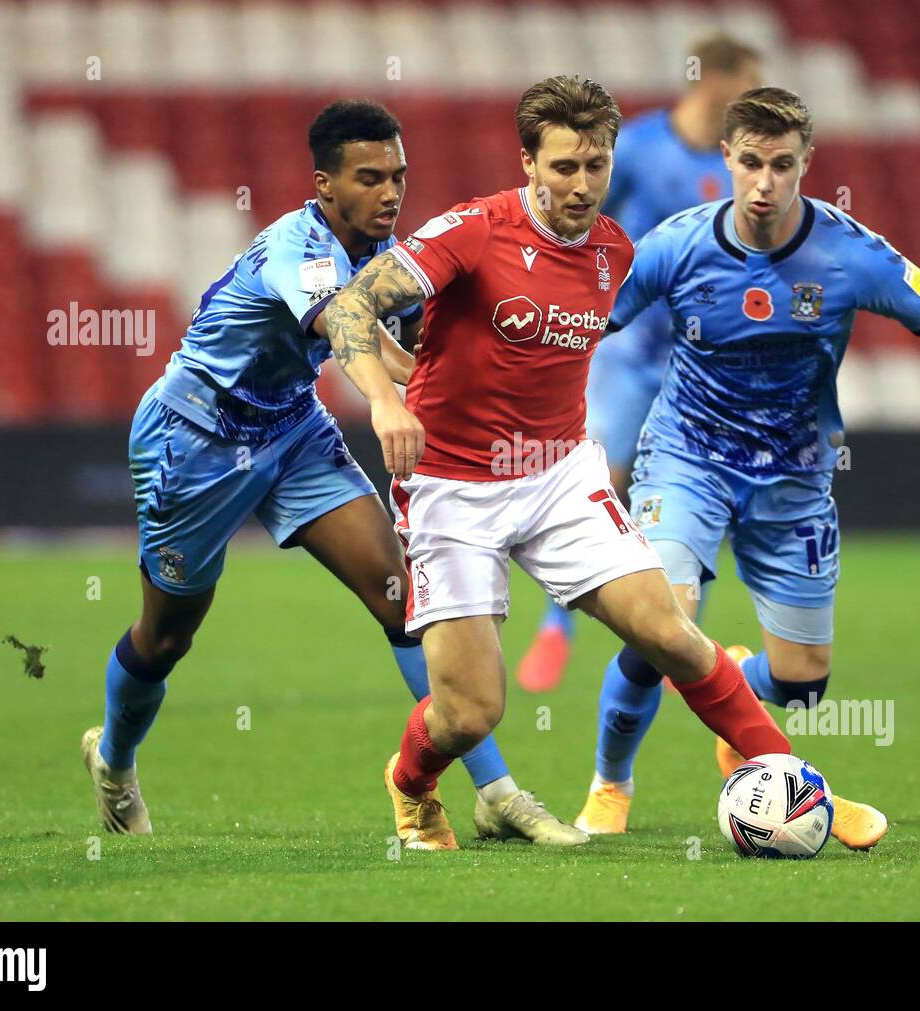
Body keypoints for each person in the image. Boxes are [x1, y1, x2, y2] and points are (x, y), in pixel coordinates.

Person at [572, 87, 920, 845]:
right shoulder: (673, 245)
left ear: (806, 164)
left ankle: (737, 707)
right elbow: (577, 329)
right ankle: (610, 784)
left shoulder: (849, 253)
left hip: (795, 475)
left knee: (804, 679)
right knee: (665, 624)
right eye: (749, 162)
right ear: (726, 158)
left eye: (782, 165)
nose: (763, 182)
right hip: (686, 458)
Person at [81, 99, 583, 846]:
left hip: (290, 432)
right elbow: (346, 329)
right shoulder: (301, 248)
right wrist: (389, 401)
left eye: (399, 176)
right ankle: (114, 762)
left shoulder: (385, 253)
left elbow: (400, 344)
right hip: (195, 443)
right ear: (325, 185)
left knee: (404, 598)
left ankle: (495, 791)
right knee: (165, 638)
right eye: (369, 178)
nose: (390, 193)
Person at [321, 75, 793, 851]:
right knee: (470, 712)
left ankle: (790, 776)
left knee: (671, 635)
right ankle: (410, 783)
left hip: (560, 477)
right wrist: (384, 395)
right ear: (529, 164)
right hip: (452, 487)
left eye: (596, 166)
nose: (582, 185)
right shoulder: (474, 230)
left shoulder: (614, 253)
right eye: (564, 167)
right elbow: (348, 306)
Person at [516, 34, 763, 693]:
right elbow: (572, 212)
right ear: (714, 82)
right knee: (602, 480)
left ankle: (678, 629)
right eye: (747, 84)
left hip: (699, 363)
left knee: (694, 489)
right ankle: (555, 622)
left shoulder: (741, 164)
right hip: (625, 350)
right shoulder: (642, 150)